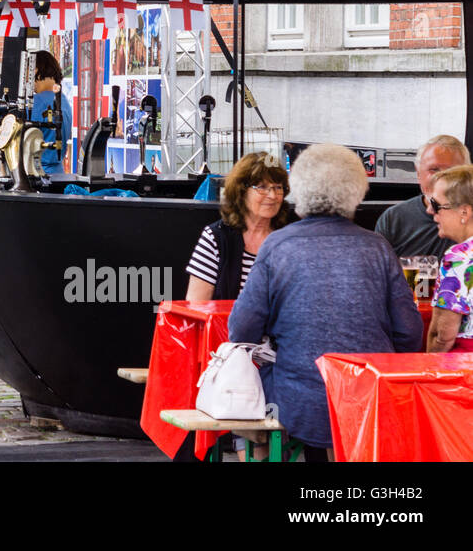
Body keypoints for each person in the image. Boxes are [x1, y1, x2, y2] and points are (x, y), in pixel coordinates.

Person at [229, 144, 424, 460]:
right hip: (370, 399)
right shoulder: (378, 248)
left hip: (300, 402)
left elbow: (241, 330)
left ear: (298, 188)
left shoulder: (277, 246)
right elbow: (410, 333)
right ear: (358, 189)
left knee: (252, 384)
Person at [185, 152, 293, 302]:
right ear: (241, 192)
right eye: (262, 187)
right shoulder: (216, 238)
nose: (273, 196)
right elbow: (196, 306)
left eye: (278, 187)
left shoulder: (291, 238)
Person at [375, 135, 469, 259]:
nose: (440, 178)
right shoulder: (394, 219)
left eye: (452, 172)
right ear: (418, 173)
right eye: (434, 169)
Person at [425, 164, 473, 352]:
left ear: (464, 212)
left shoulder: (460, 257)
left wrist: (427, 369)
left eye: (436, 205)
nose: (429, 211)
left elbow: (442, 336)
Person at [28, 51, 71, 174]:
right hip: (59, 172)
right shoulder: (64, 100)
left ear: (35, 70)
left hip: (38, 173)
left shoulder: (35, 102)